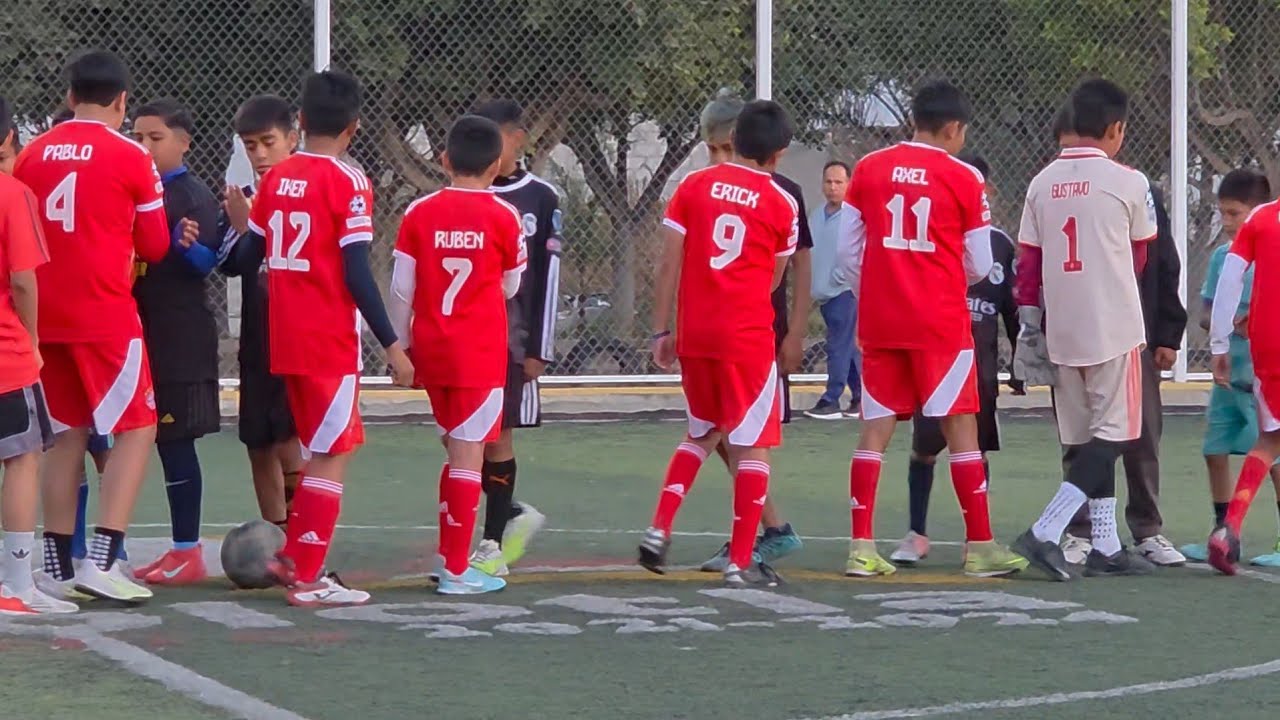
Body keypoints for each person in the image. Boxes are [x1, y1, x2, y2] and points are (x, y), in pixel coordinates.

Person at [15, 50, 196, 603]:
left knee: (64, 435)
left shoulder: (32, 155)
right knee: (138, 427)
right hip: (105, 314)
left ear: (70, 98)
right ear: (121, 102)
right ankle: (102, 557)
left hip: (45, 316)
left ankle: (56, 562)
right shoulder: (130, 156)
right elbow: (155, 245)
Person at [237, 70, 413, 606]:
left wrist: (224, 236)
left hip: (285, 337)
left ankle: (294, 558)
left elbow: (246, 258)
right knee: (332, 453)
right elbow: (356, 270)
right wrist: (391, 342)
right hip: (326, 338)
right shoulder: (348, 180)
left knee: (319, 449)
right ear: (354, 127)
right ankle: (309, 577)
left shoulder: (276, 178)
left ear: (302, 122)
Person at [841, 80, 1026, 579]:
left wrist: (878, 290)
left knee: (874, 431)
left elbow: (846, 253)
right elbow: (981, 263)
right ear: (954, 128)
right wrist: (940, 280)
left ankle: (861, 546)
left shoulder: (869, 169)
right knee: (961, 427)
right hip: (940, 322)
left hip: (881, 320)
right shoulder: (965, 178)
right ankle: (980, 547)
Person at [637, 100, 799, 587]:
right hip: (745, 337)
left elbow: (669, 264)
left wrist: (662, 330)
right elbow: (773, 279)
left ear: (733, 141)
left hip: (696, 332)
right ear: (780, 153)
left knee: (701, 432)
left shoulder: (693, 185)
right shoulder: (781, 202)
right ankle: (740, 562)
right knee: (752, 448)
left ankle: (657, 528)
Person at [1012, 79, 1158, 580]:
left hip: (1062, 328)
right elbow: (1140, 253)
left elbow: (1027, 263)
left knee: (1087, 439)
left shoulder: (1039, 182)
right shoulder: (1129, 181)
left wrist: (1029, 324)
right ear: (1116, 129)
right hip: (1113, 324)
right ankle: (1045, 530)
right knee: (1114, 435)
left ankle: (1105, 543)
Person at [389, 115, 527, 594]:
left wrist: (401, 348)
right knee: (469, 457)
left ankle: (450, 556)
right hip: (479, 354)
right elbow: (512, 284)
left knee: (454, 451)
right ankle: (455, 567)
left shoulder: (418, 213)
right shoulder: (504, 216)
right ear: (496, 165)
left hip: (431, 351)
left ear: (444, 160)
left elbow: (401, 290)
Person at [1052, 111, 1188, 568]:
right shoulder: (1049, 191)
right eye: (1065, 148)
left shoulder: (1132, 189)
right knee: (1081, 436)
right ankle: (1081, 532)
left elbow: (1163, 261)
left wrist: (1167, 331)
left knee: (1140, 432)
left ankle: (1146, 527)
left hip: (1128, 335)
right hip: (1071, 335)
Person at [686, 93, 808, 573]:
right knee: (719, 435)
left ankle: (764, 535)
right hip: (716, 331)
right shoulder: (704, 188)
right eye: (711, 152)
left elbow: (800, 265)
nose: (716, 160)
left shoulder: (782, 193)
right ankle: (769, 530)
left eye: (722, 149)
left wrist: (796, 331)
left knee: (740, 436)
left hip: (756, 334)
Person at [890, 152, 1020, 565]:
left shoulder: (999, 244)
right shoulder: (931, 233)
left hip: (978, 365)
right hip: (936, 354)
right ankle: (916, 533)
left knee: (976, 449)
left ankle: (975, 538)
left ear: (989, 192)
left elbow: (1012, 309)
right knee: (924, 447)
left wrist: (1020, 362)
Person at [126, 99, 221, 585]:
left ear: (183, 142)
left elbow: (209, 265)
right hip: (130, 332)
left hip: (177, 337)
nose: (143, 146)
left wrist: (185, 246)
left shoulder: (191, 196)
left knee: (174, 438)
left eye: (154, 138)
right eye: (137, 136)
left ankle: (187, 550)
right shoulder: (130, 187)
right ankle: (104, 548)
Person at [465, 99, 555, 576]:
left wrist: (541, 347)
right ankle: (511, 511)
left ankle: (492, 541)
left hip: (511, 343)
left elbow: (548, 275)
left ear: (517, 138)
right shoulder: (461, 192)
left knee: (496, 437)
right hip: (462, 341)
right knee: (462, 441)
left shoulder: (540, 198)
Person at [0, 96, 77, 614]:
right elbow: (23, 281)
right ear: (8, 137)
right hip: (5, 354)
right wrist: (31, 340)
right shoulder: (12, 193)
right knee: (23, 458)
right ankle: (16, 583)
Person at [218, 95, 303, 528]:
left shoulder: (308, 194)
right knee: (258, 441)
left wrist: (254, 225)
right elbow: (232, 262)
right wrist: (241, 226)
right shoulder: (242, 199)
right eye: (250, 146)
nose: (261, 154)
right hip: (257, 338)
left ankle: (299, 533)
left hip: (300, 337)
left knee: (290, 437)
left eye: (268, 142)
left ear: (293, 139)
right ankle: (274, 532)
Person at [1204, 176, 1280, 575]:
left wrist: (1219, 346)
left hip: (1267, 344)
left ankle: (1228, 527)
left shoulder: (1261, 219)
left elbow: (1230, 281)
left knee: (1269, 439)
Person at [805, 160, 862, 420]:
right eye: (828, 182)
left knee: (837, 345)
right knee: (847, 347)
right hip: (824, 293)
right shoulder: (816, 216)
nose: (833, 187)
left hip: (846, 292)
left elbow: (861, 252)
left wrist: (843, 277)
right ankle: (861, 398)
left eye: (839, 182)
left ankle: (831, 399)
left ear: (849, 185)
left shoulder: (856, 217)